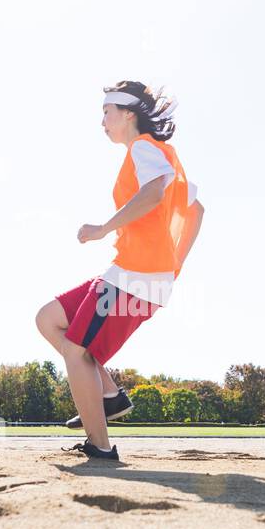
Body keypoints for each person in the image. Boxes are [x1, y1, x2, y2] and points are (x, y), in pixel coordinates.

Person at [34, 80, 205, 460]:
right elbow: (196, 210)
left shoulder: (144, 149)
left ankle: (100, 443)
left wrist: (102, 229)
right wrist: (175, 263)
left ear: (128, 114)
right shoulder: (161, 154)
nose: (103, 121)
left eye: (107, 113)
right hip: (132, 273)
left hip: (136, 277)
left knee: (78, 351)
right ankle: (107, 395)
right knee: (48, 319)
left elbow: (154, 194)